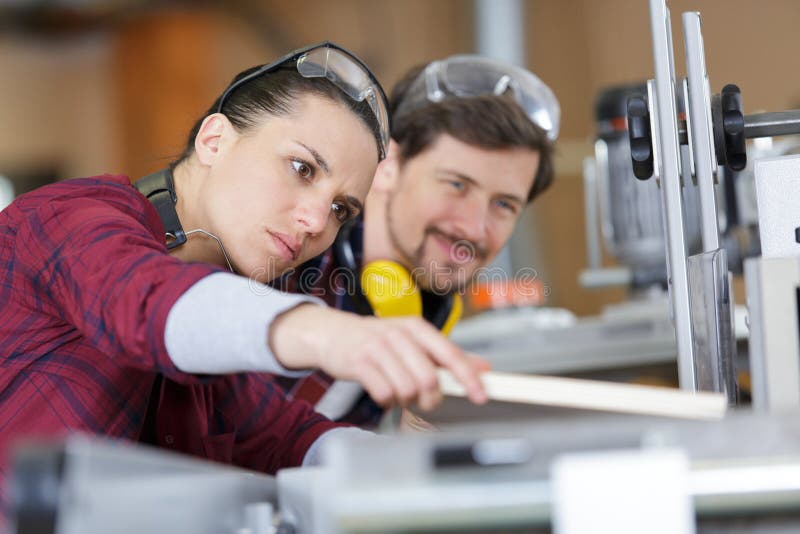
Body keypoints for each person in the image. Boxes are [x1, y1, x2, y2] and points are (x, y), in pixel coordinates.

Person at [0, 42, 488, 501]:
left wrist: (420, 450)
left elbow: (290, 440)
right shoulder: (67, 217)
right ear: (214, 140)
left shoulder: (218, 349)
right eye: (302, 168)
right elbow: (144, 301)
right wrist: (331, 335)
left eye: (341, 209)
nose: (317, 222)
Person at [274, 54, 558, 427]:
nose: (474, 229)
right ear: (388, 165)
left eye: (503, 204)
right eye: (456, 184)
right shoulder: (282, 263)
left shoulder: (426, 302)